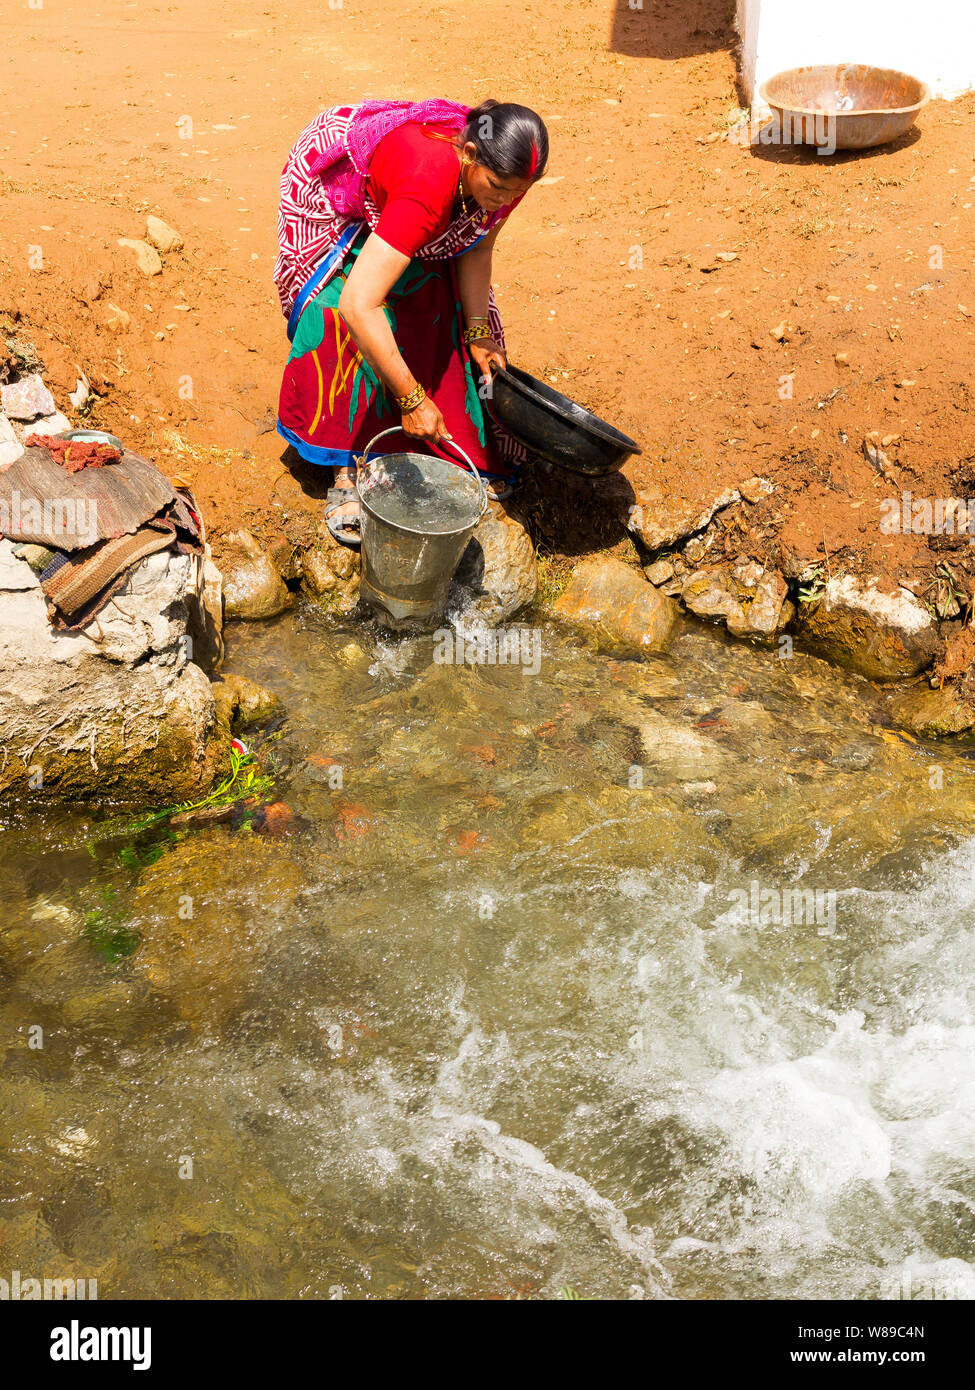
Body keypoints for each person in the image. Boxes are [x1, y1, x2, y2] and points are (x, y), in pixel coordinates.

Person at [274, 97, 549, 546]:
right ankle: (347, 465)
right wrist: (410, 398)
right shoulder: (426, 185)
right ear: (470, 154)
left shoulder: (508, 176)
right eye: (497, 186)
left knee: (437, 300)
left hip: (413, 201)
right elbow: (358, 304)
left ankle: (458, 440)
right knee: (342, 307)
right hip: (338, 191)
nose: (504, 200)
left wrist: (477, 331)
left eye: (516, 192)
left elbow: (476, 246)